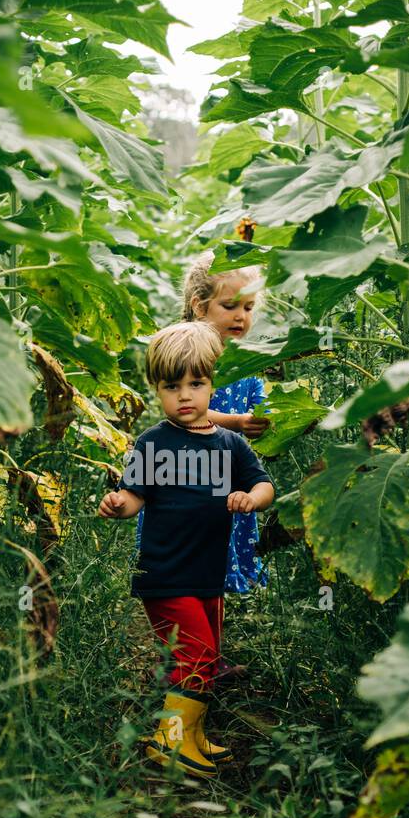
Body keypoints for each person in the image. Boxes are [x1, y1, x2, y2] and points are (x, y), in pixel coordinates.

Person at [98, 320, 275, 779]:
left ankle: (191, 735)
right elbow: (135, 497)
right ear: (157, 389)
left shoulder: (230, 443)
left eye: (195, 383)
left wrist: (249, 499)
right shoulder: (152, 442)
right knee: (194, 656)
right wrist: (120, 505)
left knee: (207, 658)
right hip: (165, 574)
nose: (185, 395)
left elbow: (263, 485)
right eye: (171, 386)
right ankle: (169, 743)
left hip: (208, 573)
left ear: (212, 385)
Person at [136, 252, 272, 680]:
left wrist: (272, 422)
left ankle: (208, 656)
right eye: (229, 306)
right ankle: (186, 660)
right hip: (187, 492)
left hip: (228, 491)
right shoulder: (191, 359)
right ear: (200, 306)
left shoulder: (246, 363)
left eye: (248, 308)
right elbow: (188, 415)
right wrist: (235, 423)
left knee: (214, 567)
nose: (240, 317)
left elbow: (260, 419)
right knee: (184, 574)